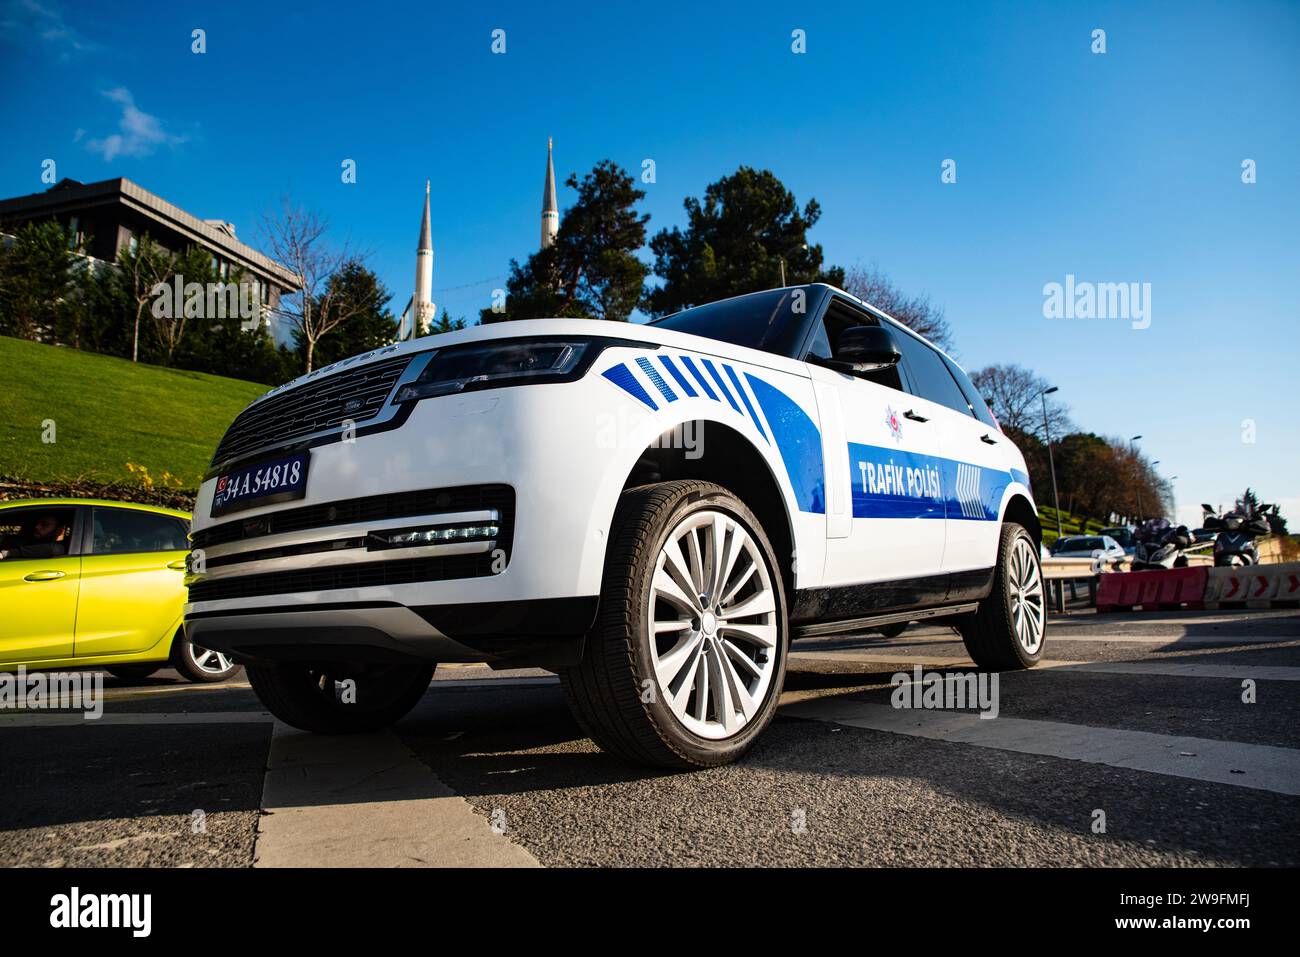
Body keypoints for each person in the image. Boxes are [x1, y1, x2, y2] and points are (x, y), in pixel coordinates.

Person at [0, 512, 70, 560]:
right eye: (37, 523)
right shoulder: (28, 542)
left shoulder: (59, 549)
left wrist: (7, 554)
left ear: (59, 531)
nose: (37, 527)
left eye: (44, 524)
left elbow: (52, 549)